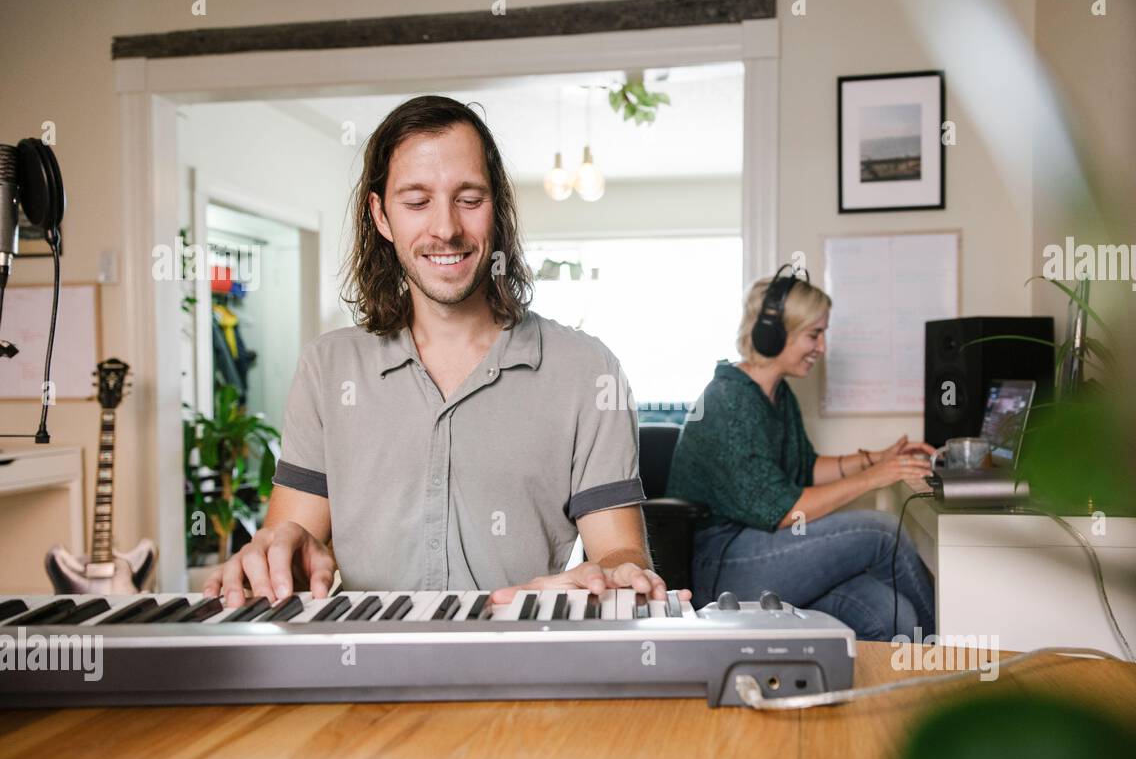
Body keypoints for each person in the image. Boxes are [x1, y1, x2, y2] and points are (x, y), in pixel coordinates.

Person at [205, 95, 687, 608]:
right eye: (416, 202)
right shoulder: (328, 368)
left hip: (519, 663)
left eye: (469, 198)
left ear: (496, 208)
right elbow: (290, 553)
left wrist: (610, 578)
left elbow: (620, 553)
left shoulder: (587, 370)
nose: (446, 228)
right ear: (382, 216)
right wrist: (281, 554)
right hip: (362, 672)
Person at [666, 274, 933, 640]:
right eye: (813, 334)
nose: (821, 347)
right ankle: (953, 660)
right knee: (882, 531)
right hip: (725, 566)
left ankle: (903, 684)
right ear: (774, 334)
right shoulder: (731, 402)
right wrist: (877, 477)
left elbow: (806, 467)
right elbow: (787, 511)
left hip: (767, 551)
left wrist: (877, 459)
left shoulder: (776, 392)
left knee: (889, 614)